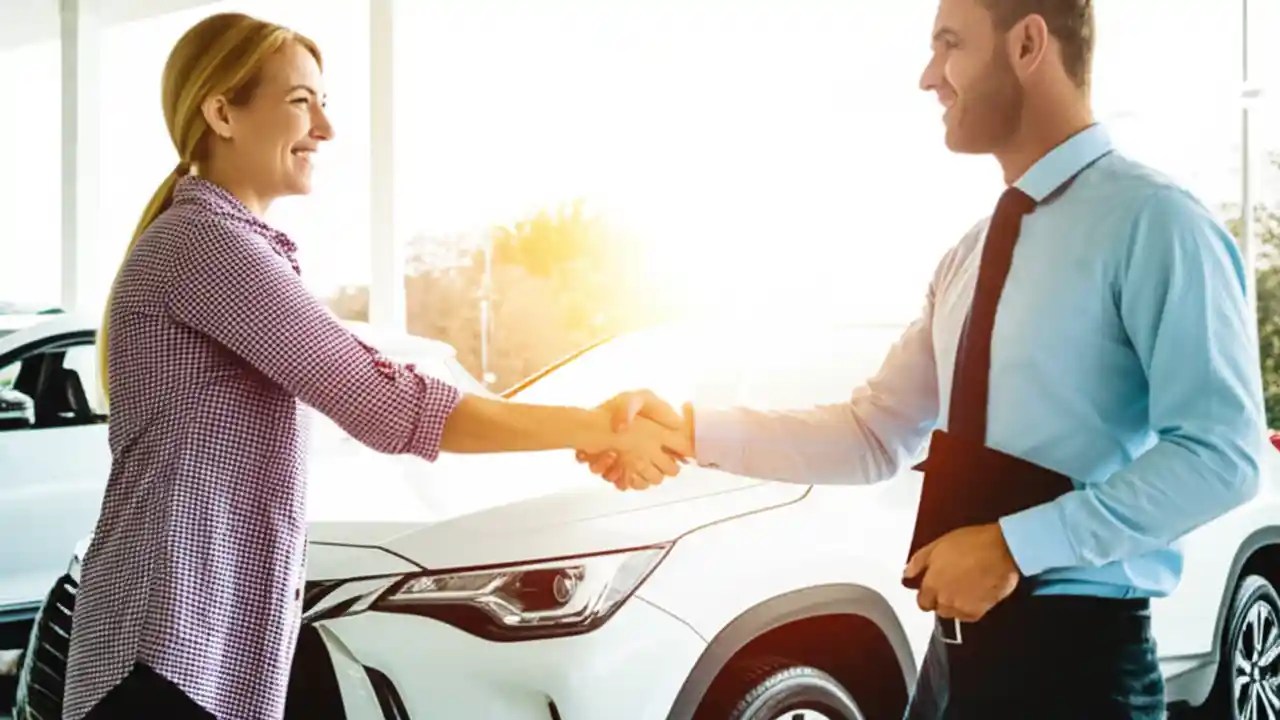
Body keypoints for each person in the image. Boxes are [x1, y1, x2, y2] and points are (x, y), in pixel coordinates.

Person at [581, 0, 1265, 717]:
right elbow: (874, 434)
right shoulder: (968, 254)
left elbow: (1223, 454)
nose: (928, 77)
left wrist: (1013, 546)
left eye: (949, 44)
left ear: (1028, 43)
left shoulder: (1157, 222)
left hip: (1080, 672)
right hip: (952, 663)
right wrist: (688, 430)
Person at [62, 13, 689, 720]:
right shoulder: (206, 245)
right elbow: (382, 403)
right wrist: (601, 427)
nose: (324, 129)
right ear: (220, 112)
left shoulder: (225, 246)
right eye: (301, 101)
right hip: (164, 659)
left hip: (190, 654)